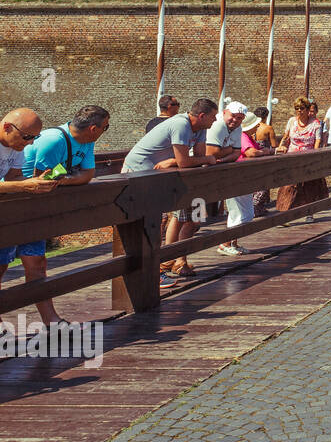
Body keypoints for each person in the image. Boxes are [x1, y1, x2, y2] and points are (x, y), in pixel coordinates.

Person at [2, 105, 110, 325]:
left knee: (38, 264)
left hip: (21, 214)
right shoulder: (46, 141)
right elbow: (16, 185)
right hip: (7, 217)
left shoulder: (17, 146)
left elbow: (13, 179)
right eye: (27, 137)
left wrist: (35, 183)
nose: (31, 143)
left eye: (34, 137)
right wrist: (24, 186)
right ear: (6, 127)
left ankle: (51, 321)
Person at [122, 98, 219, 283]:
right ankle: (154, 274)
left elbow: (197, 157)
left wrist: (181, 161)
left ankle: (169, 263)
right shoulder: (180, 124)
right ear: (202, 115)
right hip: (138, 174)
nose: (215, 121)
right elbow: (191, 161)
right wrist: (203, 160)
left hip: (159, 177)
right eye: (213, 117)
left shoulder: (200, 129)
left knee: (189, 219)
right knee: (147, 226)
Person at [208, 102, 264, 256]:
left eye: (239, 118)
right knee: (193, 220)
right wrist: (227, 152)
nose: (235, 120)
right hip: (213, 174)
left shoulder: (237, 129)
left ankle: (231, 243)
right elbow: (212, 152)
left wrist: (225, 155)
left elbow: (235, 153)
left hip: (231, 171)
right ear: (225, 112)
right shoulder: (218, 125)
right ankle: (225, 243)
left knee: (240, 212)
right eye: (233, 116)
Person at [275, 96, 326, 220]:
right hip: (292, 158)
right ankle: (284, 215)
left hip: (307, 159)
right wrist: (280, 147)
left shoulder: (315, 124)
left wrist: (315, 157)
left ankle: (309, 213)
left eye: (302, 108)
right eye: (297, 108)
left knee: (308, 187)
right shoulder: (292, 121)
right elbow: (286, 137)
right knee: (288, 186)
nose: (299, 111)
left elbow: (317, 142)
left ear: (308, 109)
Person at [246, 107, 279, 216]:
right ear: (266, 116)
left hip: (250, 158)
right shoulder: (268, 128)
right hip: (264, 156)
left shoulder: (249, 130)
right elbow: (274, 146)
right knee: (265, 182)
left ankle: (252, 207)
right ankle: (257, 207)